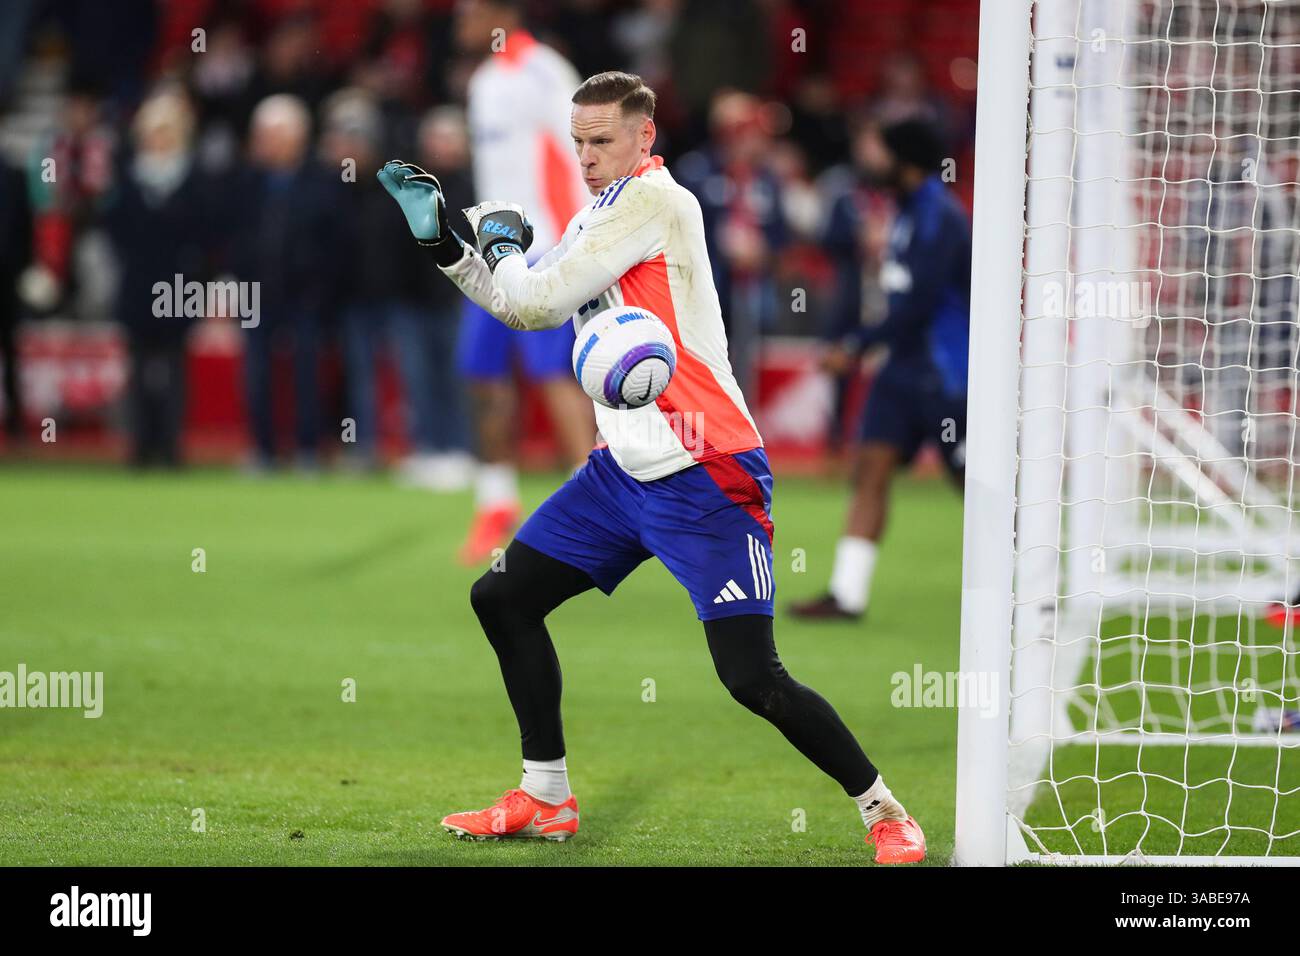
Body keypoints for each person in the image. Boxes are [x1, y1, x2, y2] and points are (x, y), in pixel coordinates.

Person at [376, 71, 926, 863]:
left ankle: (883, 810)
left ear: (644, 137)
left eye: (602, 141)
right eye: (579, 143)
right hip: (621, 472)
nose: (589, 156)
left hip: (705, 468)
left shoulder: (656, 202)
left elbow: (532, 301)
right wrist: (445, 244)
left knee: (751, 678)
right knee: (502, 597)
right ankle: (546, 795)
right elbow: (517, 305)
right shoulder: (597, 213)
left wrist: (499, 243)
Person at [789, 118, 971, 622]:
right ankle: (847, 593)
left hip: (946, 373)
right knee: (870, 469)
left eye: (882, 152)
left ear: (906, 162)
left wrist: (856, 345)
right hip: (903, 370)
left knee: (975, 487)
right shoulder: (909, 211)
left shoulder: (941, 217)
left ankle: (1024, 588)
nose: (872, 162)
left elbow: (919, 304)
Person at [452, 0, 595, 563]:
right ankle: (495, 504)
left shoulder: (546, 72)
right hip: (491, 253)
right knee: (483, 378)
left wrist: (578, 243)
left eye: (469, 12)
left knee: (554, 376)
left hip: (543, 253)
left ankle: (589, 508)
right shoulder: (483, 81)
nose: (459, 21)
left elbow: (577, 153)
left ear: (501, 13)